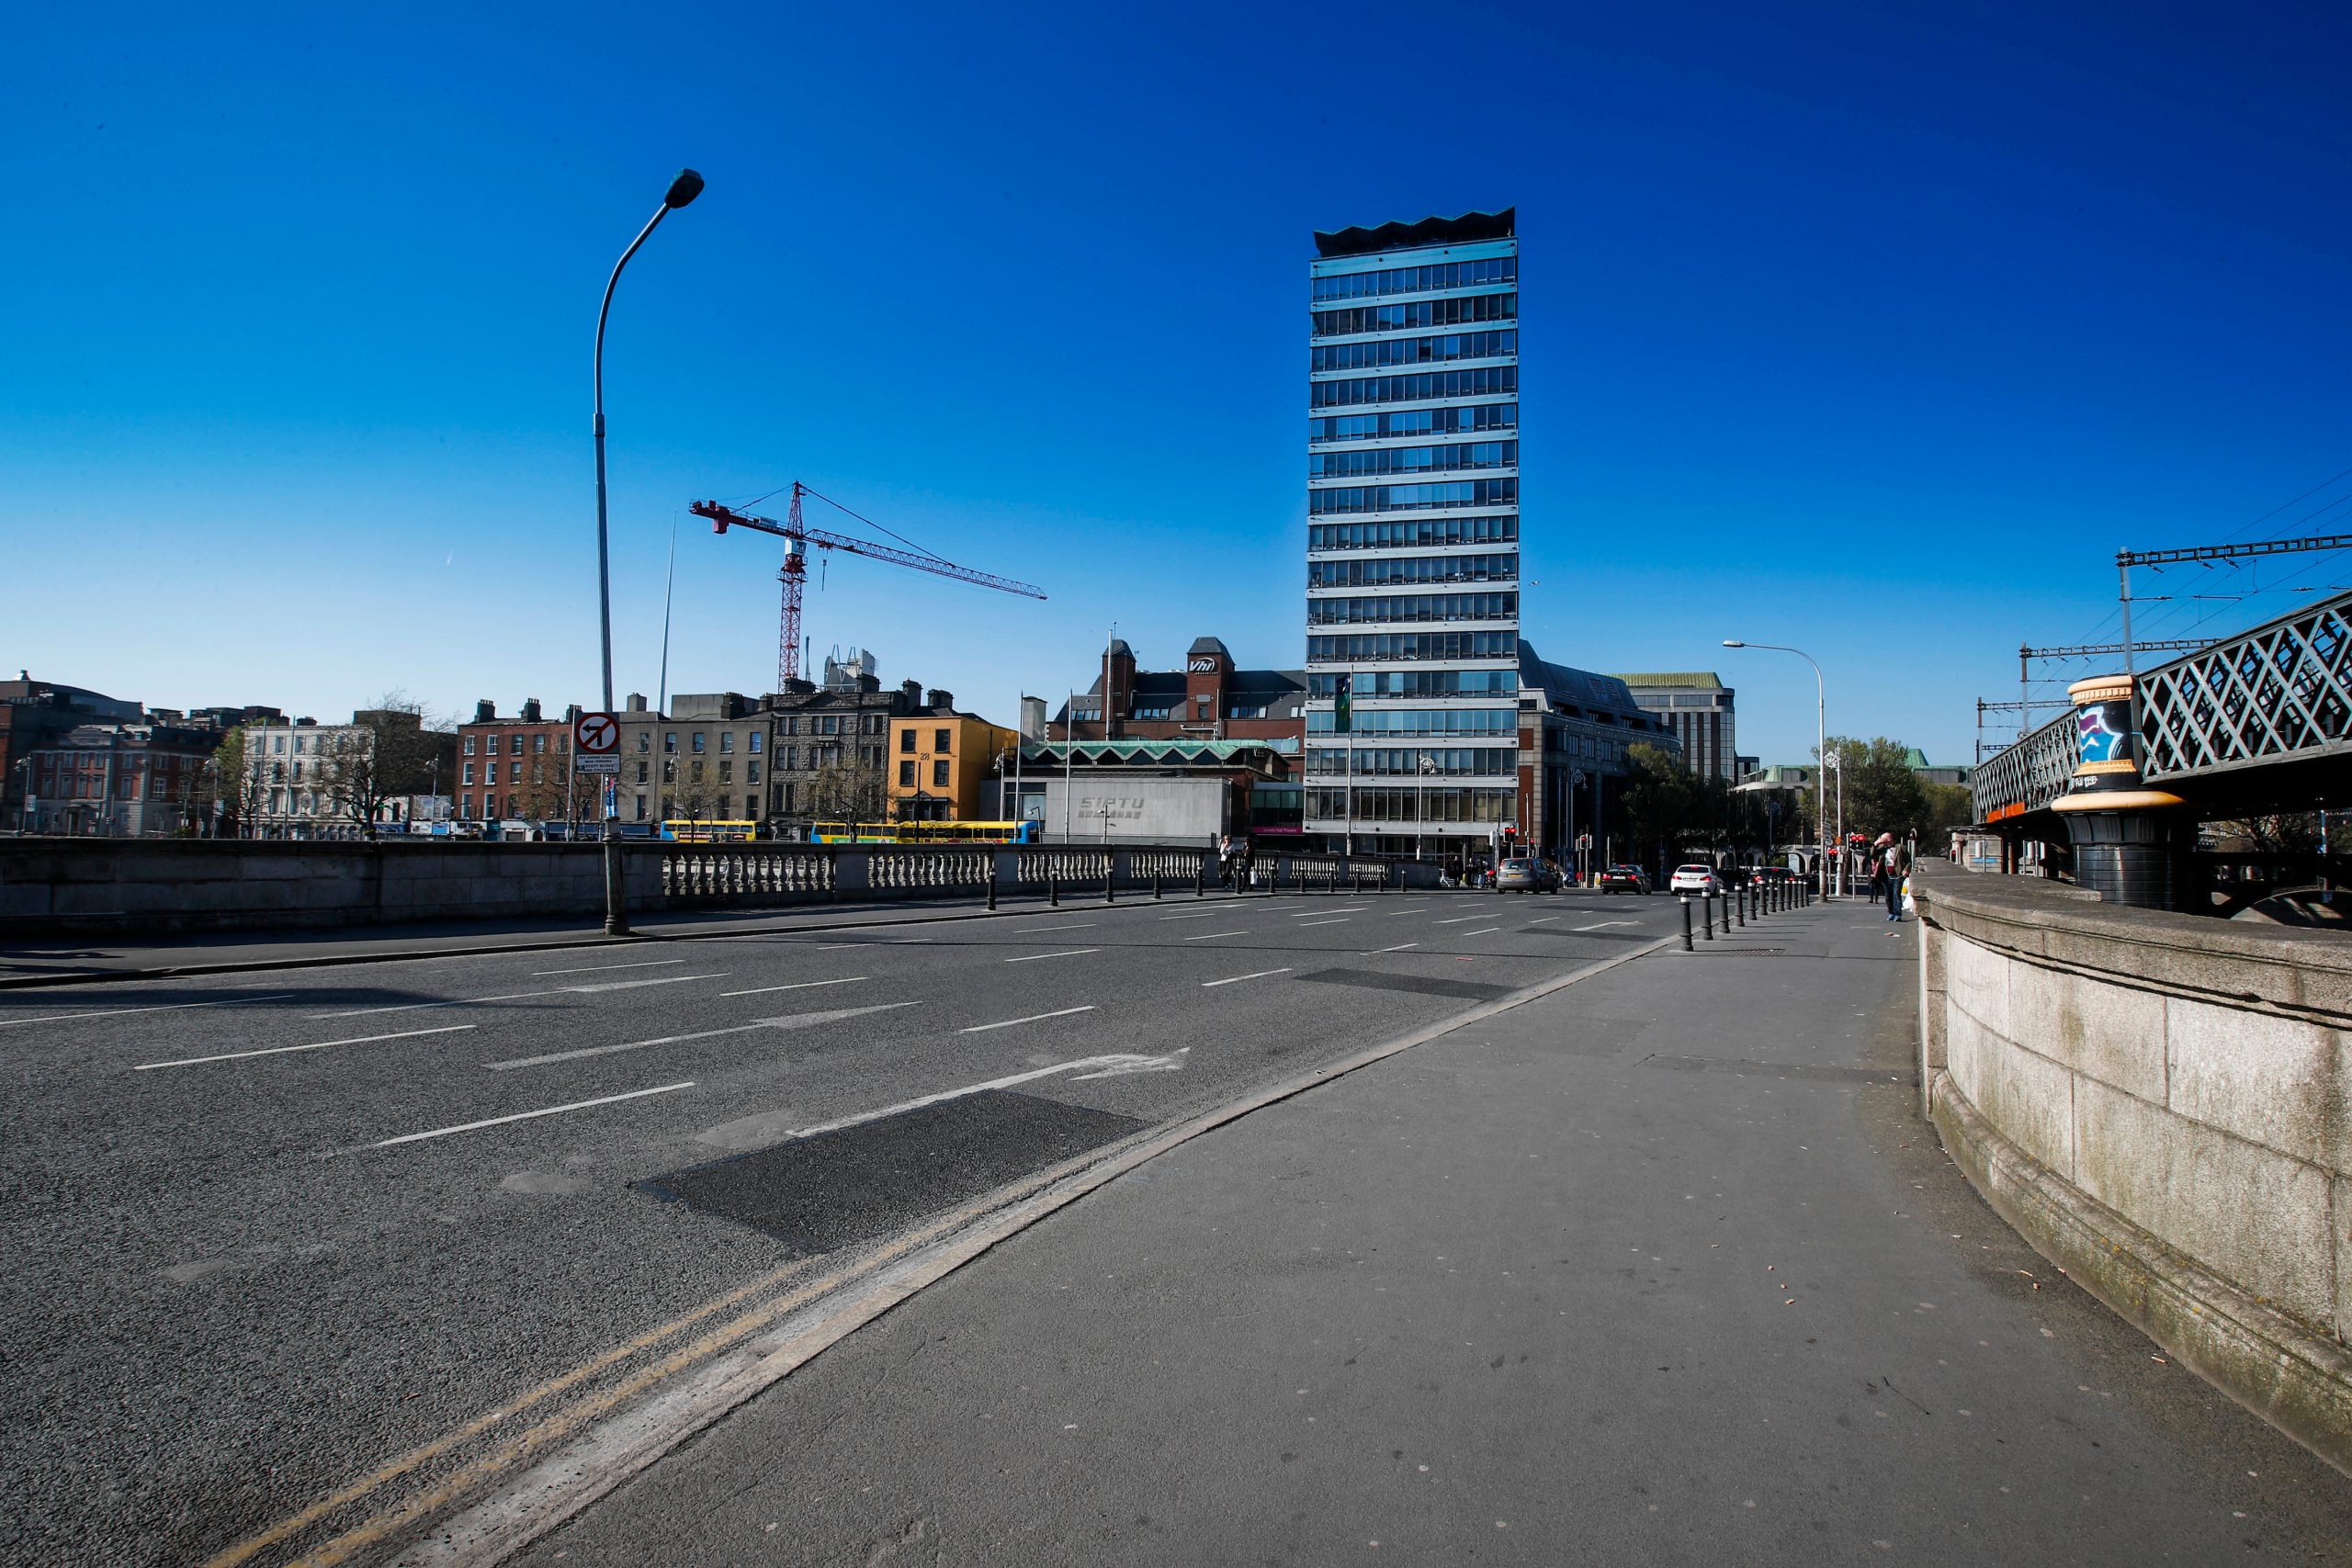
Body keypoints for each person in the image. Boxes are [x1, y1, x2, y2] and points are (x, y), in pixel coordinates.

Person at [1883, 837, 1910, 921]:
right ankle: (1891, 912)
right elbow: (1872, 853)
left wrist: (1906, 869)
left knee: (1896, 894)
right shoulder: (1882, 849)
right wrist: (1877, 843)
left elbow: (1909, 861)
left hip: (1898, 875)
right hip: (1886, 875)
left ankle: (1897, 914)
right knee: (1888, 895)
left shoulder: (1900, 847)